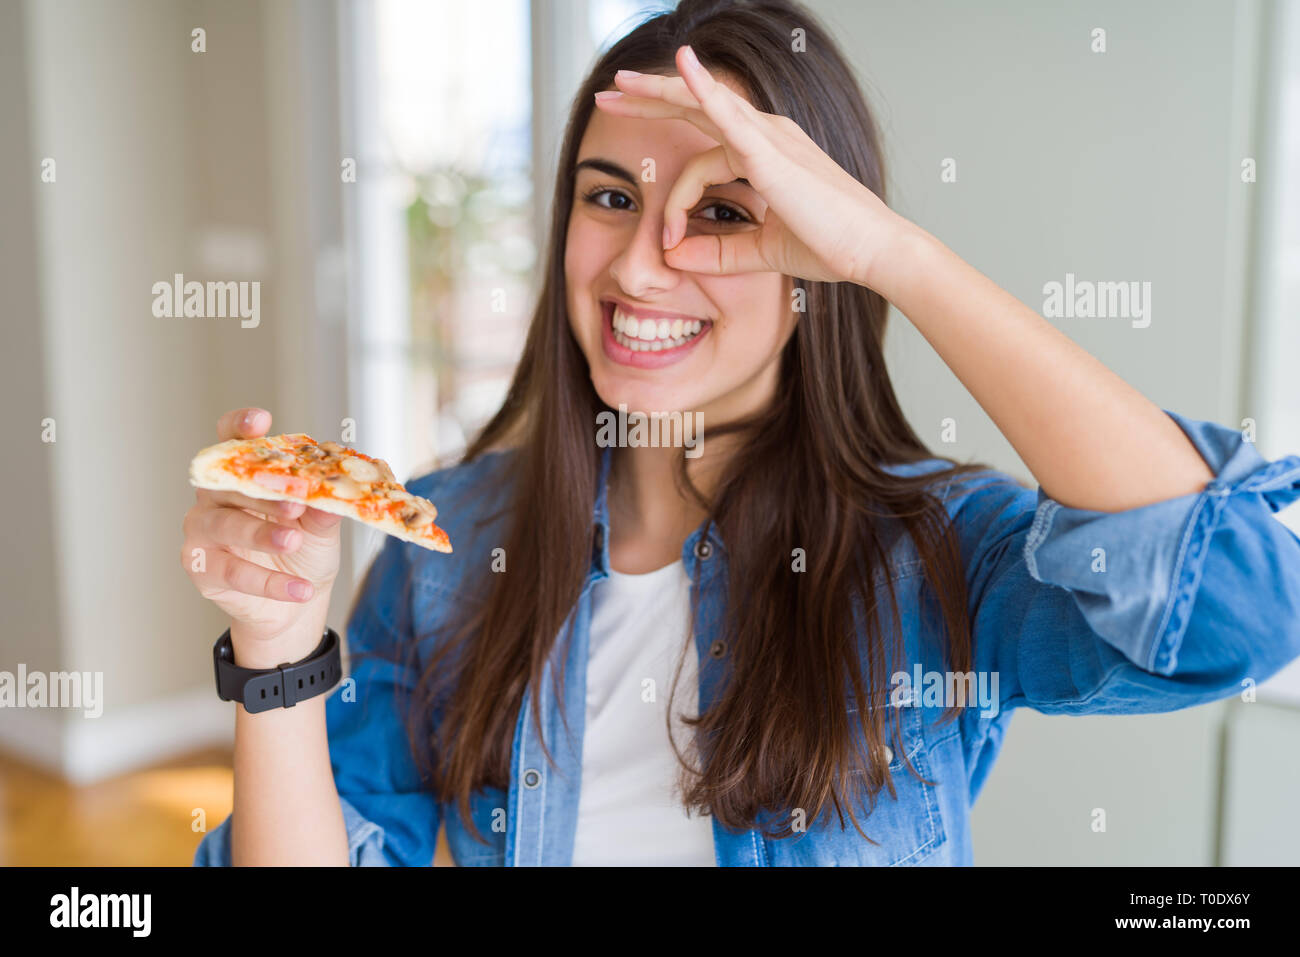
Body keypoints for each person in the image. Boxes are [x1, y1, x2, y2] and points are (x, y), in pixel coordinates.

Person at [187, 0, 1300, 866]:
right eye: (608, 196)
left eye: (723, 212)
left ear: (822, 251)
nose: (635, 267)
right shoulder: (447, 549)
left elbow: (1234, 608)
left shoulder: (937, 554)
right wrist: (277, 649)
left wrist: (897, 259)